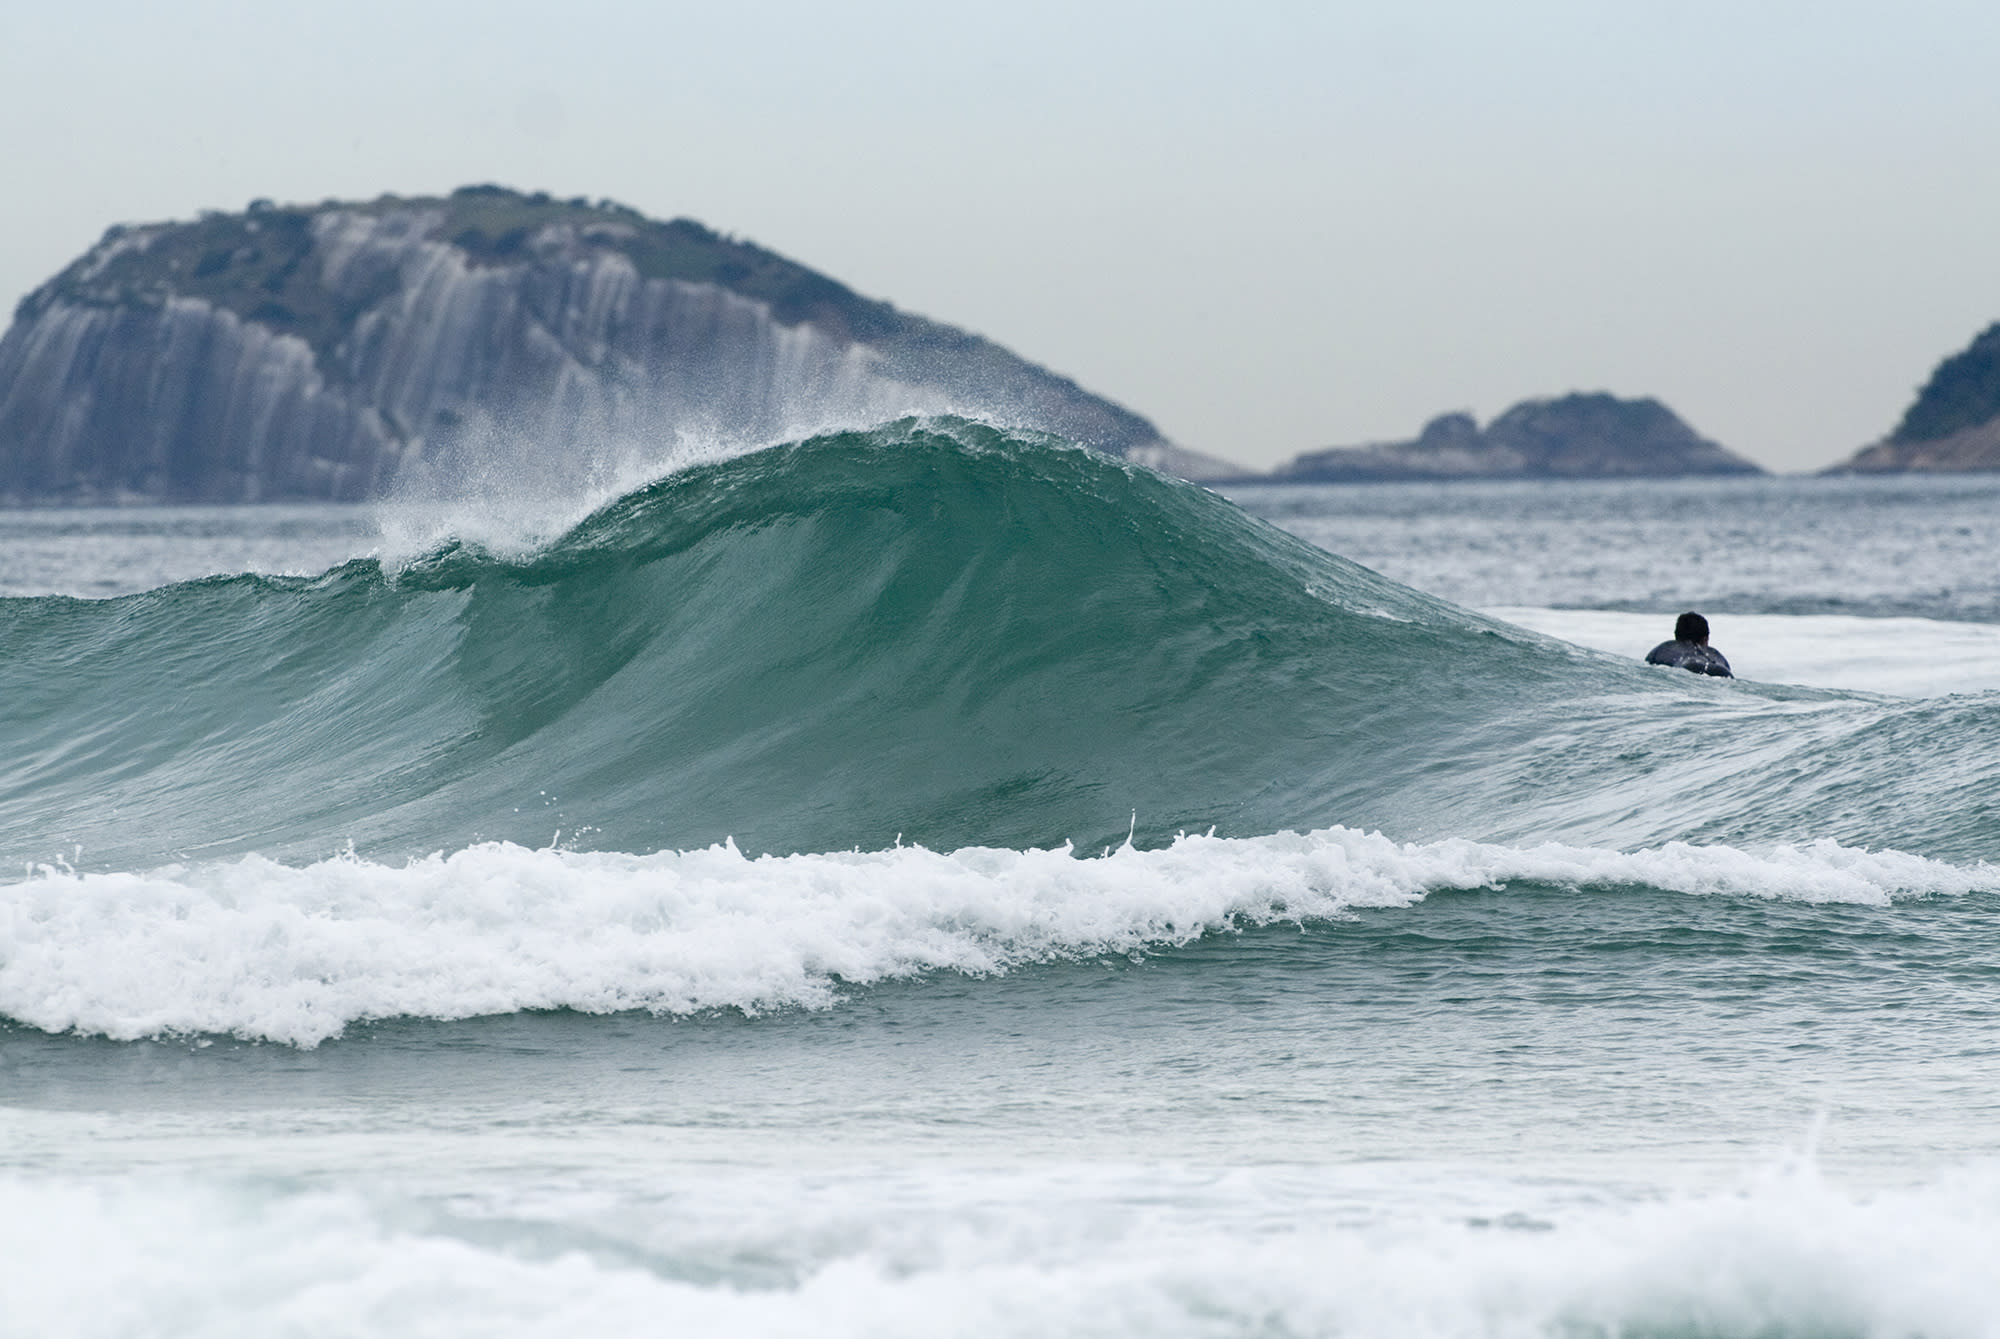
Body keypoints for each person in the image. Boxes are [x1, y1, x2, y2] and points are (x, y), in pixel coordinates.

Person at [1645, 612, 1732, 677]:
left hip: (1687, 669)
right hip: (1723, 672)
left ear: (1676, 635)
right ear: (1705, 638)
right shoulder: (1718, 656)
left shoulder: (1662, 649)